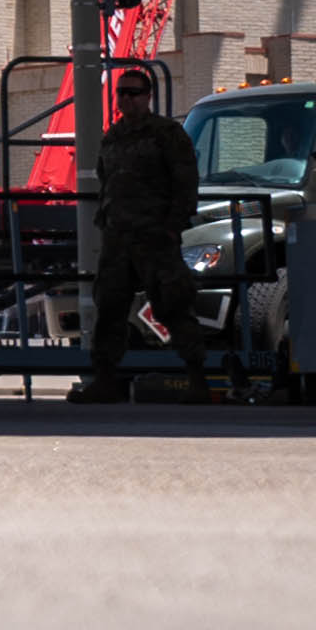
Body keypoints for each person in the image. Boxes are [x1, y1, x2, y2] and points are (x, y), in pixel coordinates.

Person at [75, 61, 200, 405]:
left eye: (133, 93)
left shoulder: (166, 134)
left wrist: (173, 227)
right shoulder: (113, 136)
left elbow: (186, 183)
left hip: (155, 236)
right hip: (118, 239)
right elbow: (105, 181)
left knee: (174, 305)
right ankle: (105, 381)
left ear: (148, 97)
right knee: (110, 310)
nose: (126, 99)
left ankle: (198, 379)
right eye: (121, 93)